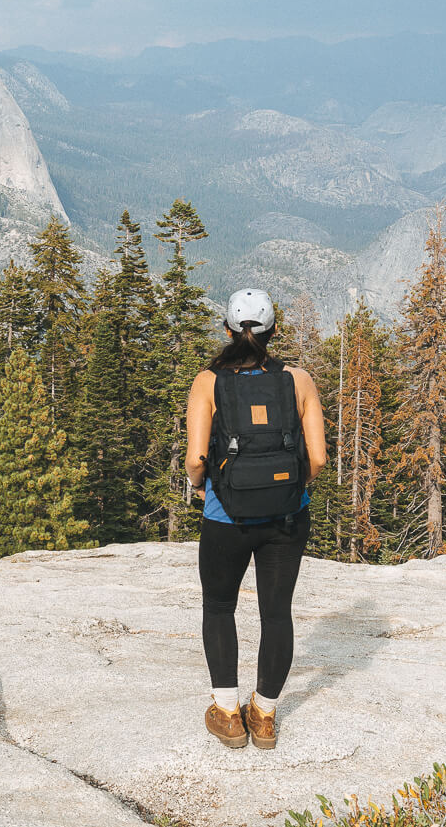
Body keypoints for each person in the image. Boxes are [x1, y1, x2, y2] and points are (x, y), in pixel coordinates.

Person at [185, 288, 327, 750]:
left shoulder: (208, 381)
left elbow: (195, 458)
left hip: (226, 516)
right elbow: (319, 458)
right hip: (287, 516)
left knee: (219, 607)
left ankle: (228, 713)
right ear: (274, 331)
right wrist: (294, 488)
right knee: (276, 612)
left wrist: (201, 486)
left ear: (227, 330)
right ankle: (263, 716)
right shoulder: (299, 380)